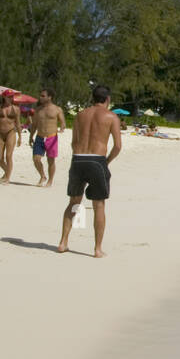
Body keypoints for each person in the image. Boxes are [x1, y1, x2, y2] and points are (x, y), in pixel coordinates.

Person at [58, 85, 122, 257]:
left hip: (78, 159)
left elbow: (73, 142)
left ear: (92, 98)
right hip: (97, 160)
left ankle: (63, 242)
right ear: (107, 99)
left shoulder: (80, 115)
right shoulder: (111, 116)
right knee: (98, 205)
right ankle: (97, 249)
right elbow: (117, 146)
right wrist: (106, 162)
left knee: (74, 203)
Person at [29, 87, 66, 187]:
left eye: (43, 96)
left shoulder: (57, 109)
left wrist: (62, 128)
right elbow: (34, 125)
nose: (40, 97)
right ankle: (42, 176)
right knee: (36, 159)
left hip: (52, 137)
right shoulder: (38, 110)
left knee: (51, 161)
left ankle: (50, 181)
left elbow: (62, 122)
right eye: (40, 95)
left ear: (50, 97)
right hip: (39, 137)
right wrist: (30, 136)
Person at [0, 91, 22, 182]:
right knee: (0, 158)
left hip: (11, 132)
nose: (10, 98)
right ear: (4, 97)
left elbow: (18, 123)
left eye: (11, 97)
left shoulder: (16, 109)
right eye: (9, 97)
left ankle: (7, 177)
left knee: (8, 156)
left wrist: (20, 137)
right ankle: (7, 172)